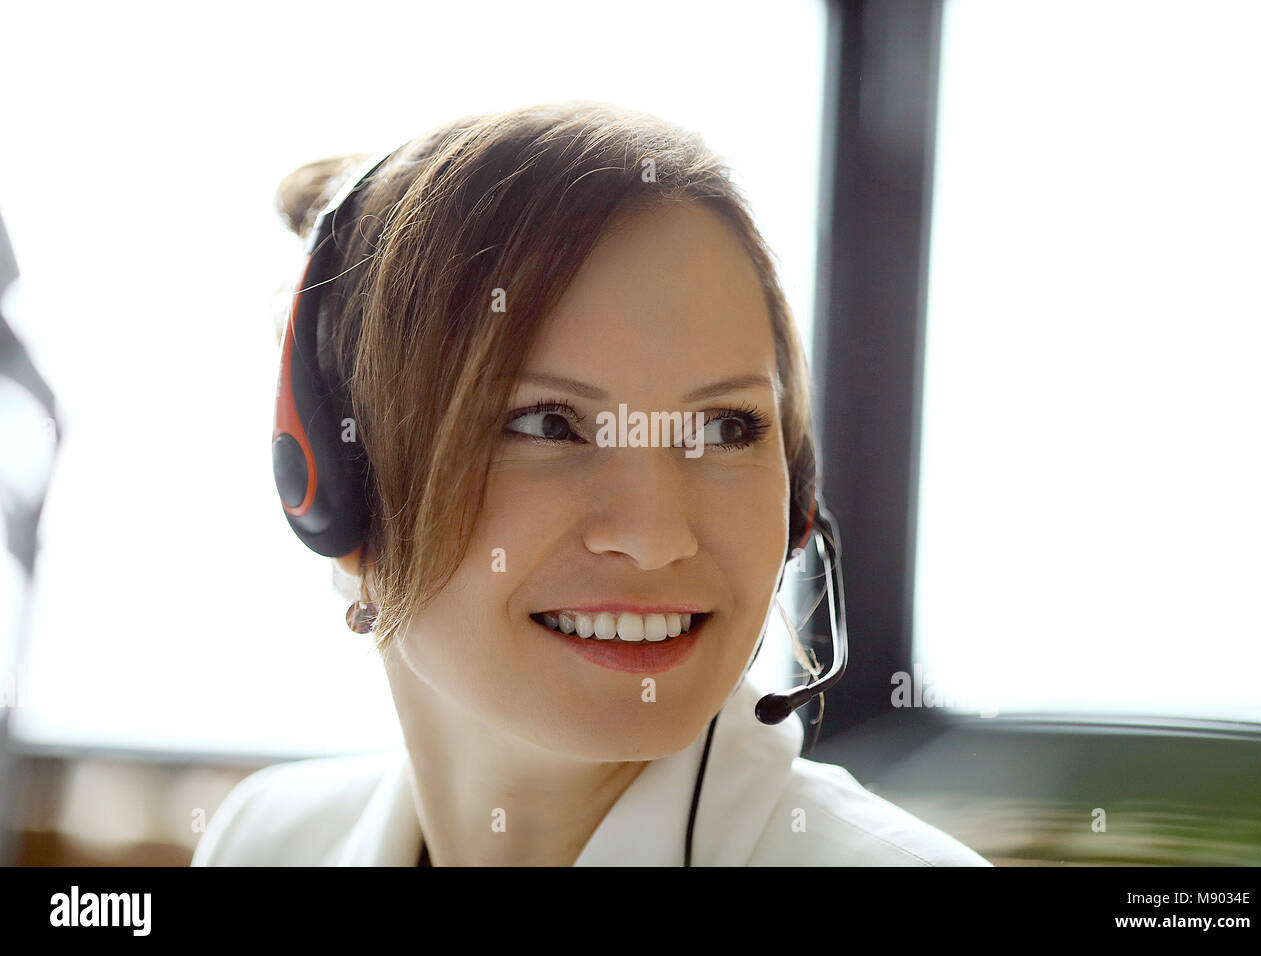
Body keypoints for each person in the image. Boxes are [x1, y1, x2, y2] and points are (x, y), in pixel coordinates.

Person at [192, 101, 991, 866]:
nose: (654, 538)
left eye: (722, 428)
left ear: (797, 496)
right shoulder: (266, 843)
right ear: (337, 487)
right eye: (547, 424)